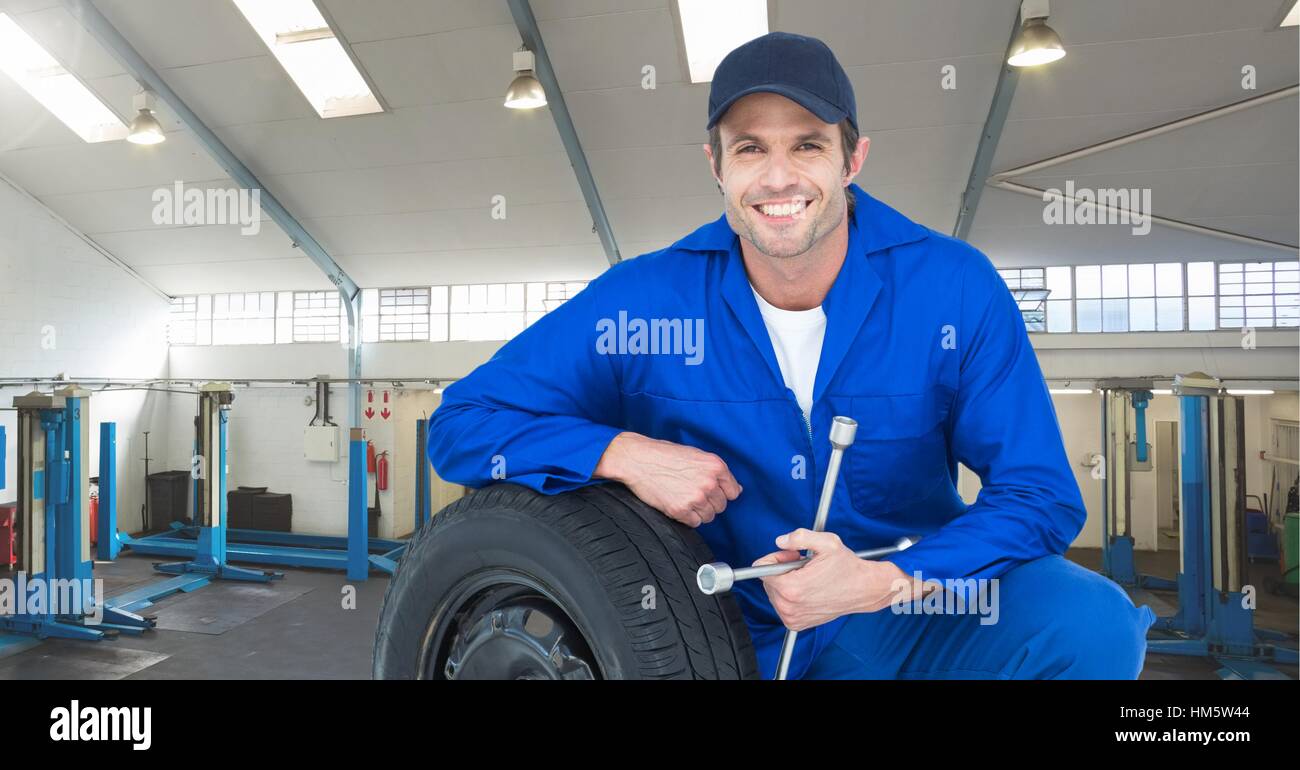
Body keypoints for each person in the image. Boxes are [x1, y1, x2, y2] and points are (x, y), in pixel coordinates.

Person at [429, 31, 1156, 679]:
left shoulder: (952, 288)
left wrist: (890, 580)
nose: (778, 179)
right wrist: (621, 453)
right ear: (716, 165)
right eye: (750, 148)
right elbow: (463, 421)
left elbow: (1039, 494)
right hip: (717, 637)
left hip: (905, 617)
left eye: (807, 144)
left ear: (852, 159)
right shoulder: (641, 302)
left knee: (1091, 623)